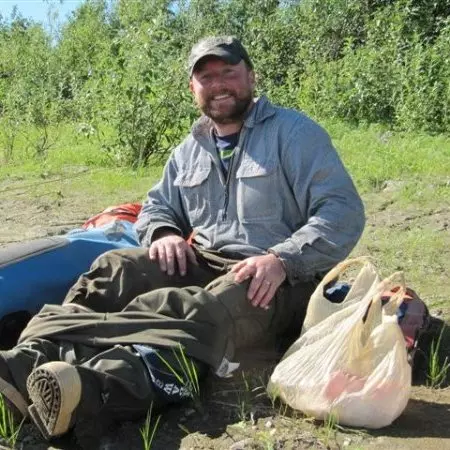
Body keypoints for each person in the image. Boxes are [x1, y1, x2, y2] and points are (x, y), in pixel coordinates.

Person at [0, 36, 365, 443]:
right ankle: (21, 368)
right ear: (193, 89)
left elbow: (342, 212)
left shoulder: (295, 134)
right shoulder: (190, 148)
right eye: (206, 76)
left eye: (229, 72)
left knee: (195, 307)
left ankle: (89, 389)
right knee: (113, 270)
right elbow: (156, 207)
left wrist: (282, 259)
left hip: (278, 277)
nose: (219, 84)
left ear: (251, 76)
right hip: (203, 259)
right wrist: (164, 232)